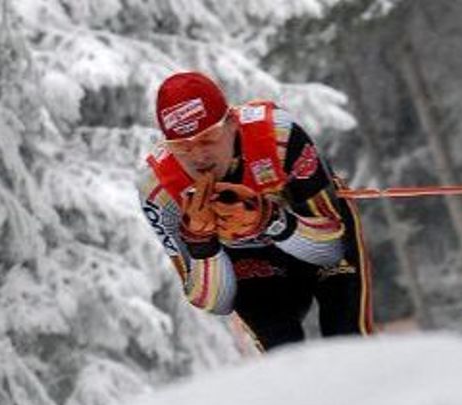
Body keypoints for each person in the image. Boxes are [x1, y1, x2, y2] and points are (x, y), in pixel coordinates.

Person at [137, 71, 373, 351]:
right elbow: (214, 303)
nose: (198, 156)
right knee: (282, 351)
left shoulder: (278, 135)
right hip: (253, 264)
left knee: (346, 335)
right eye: (181, 147)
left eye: (208, 138)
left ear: (232, 123)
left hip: (314, 233)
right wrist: (202, 244)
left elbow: (333, 249)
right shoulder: (159, 189)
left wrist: (269, 219)